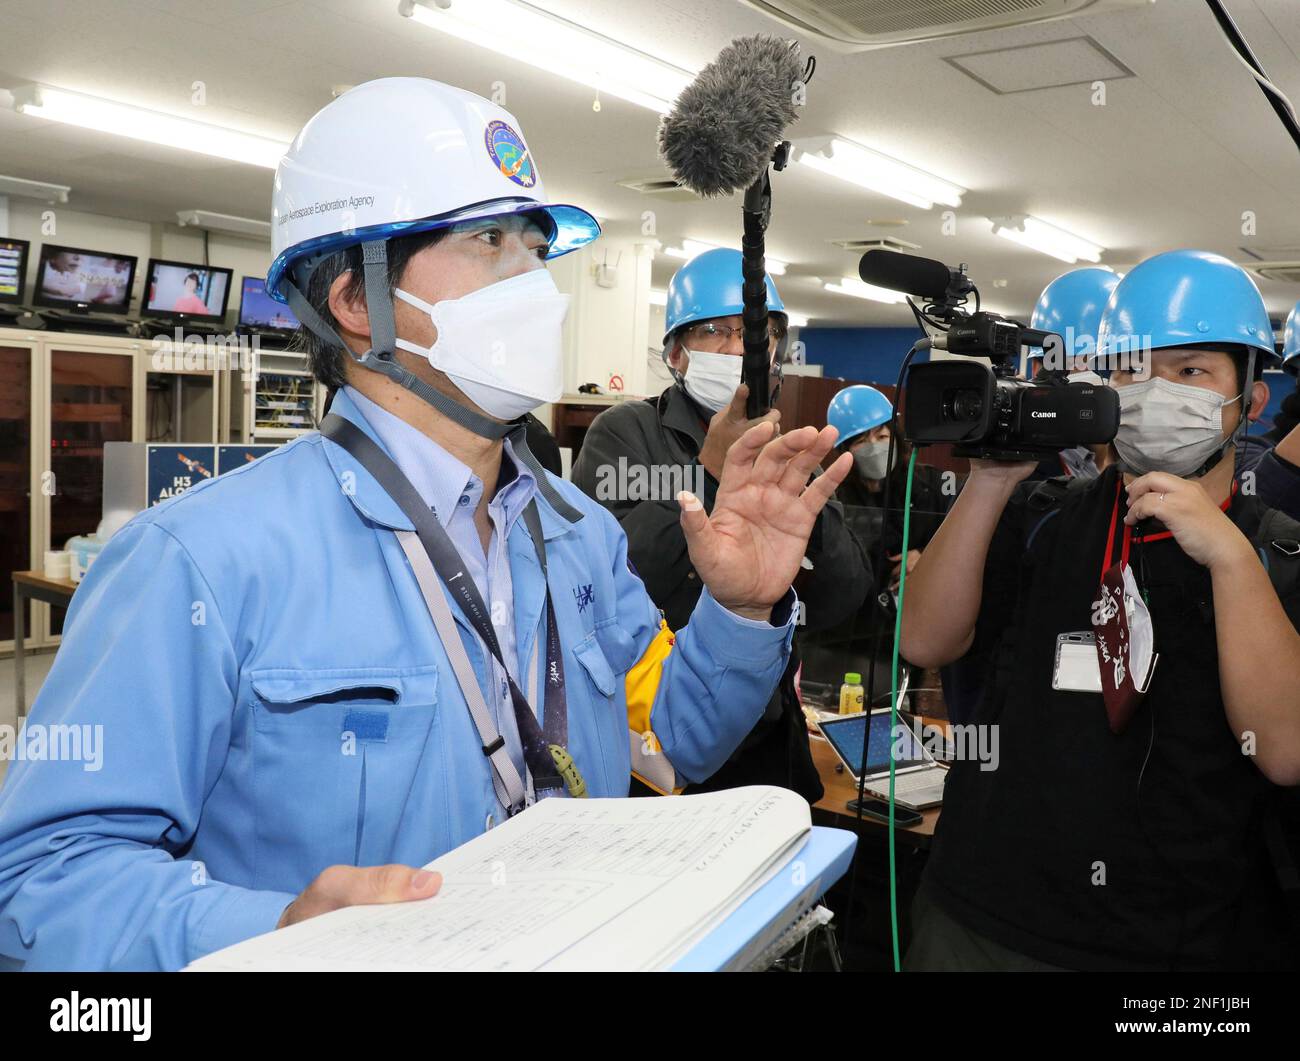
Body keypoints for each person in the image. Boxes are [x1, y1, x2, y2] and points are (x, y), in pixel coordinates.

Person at [0, 78, 850, 971]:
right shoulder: (201, 562)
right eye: (488, 241)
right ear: (357, 300)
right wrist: (273, 933)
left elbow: (680, 736)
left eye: (534, 245)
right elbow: (39, 883)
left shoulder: (580, 534)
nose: (535, 283)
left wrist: (743, 610)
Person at [900, 249, 1300, 971]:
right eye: (1130, 368)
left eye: (1191, 371)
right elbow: (925, 639)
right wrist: (990, 482)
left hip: (1172, 942)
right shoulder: (1042, 516)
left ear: (1252, 399)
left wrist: (1230, 557)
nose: (1153, 391)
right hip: (982, 917)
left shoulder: (1276, 551)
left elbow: (1284, 751)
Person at [571, 248, 864, 802]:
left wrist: (802, 511)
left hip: (767, 742)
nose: (737, 349)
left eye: (754, 334)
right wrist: (711, 470)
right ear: (678, 353)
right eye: (715, 332)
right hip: (657, 742)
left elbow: (842, 600)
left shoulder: (792, 455)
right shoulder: (627, 432)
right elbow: (613, 577)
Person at [1025, 266, 1120, 481]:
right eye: (1079, 361)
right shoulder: (1022, 472)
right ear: (1038, 371)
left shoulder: (1141, 465)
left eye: (1104, 364)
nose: (1095, 374)